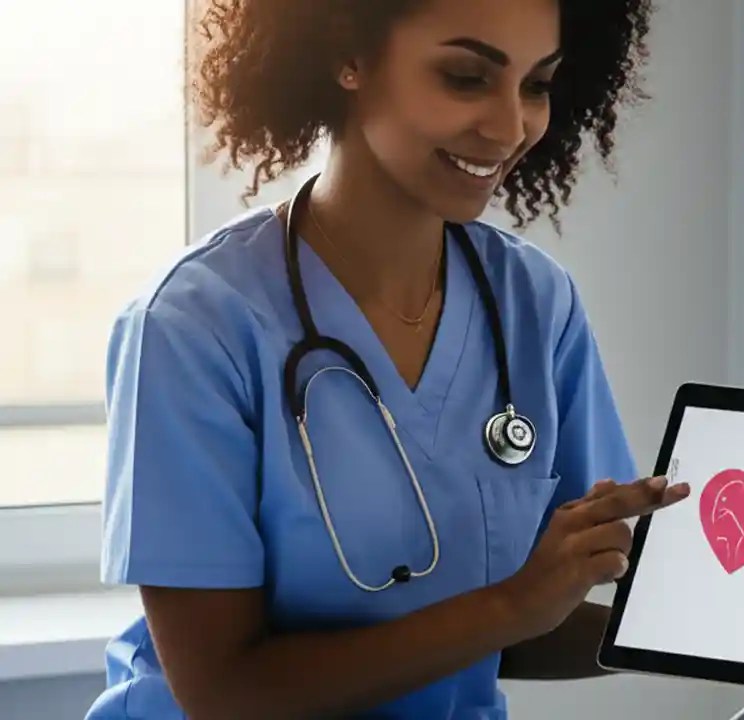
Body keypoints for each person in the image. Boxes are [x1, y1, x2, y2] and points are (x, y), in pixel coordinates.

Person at [86, 1, 692, 718]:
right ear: (348, 55)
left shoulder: (533, 303)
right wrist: (511, 606)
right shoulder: (194, 326)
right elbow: (223, 694)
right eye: (466, 77)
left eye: (536, 85)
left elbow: (524, 625)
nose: (510, 127)